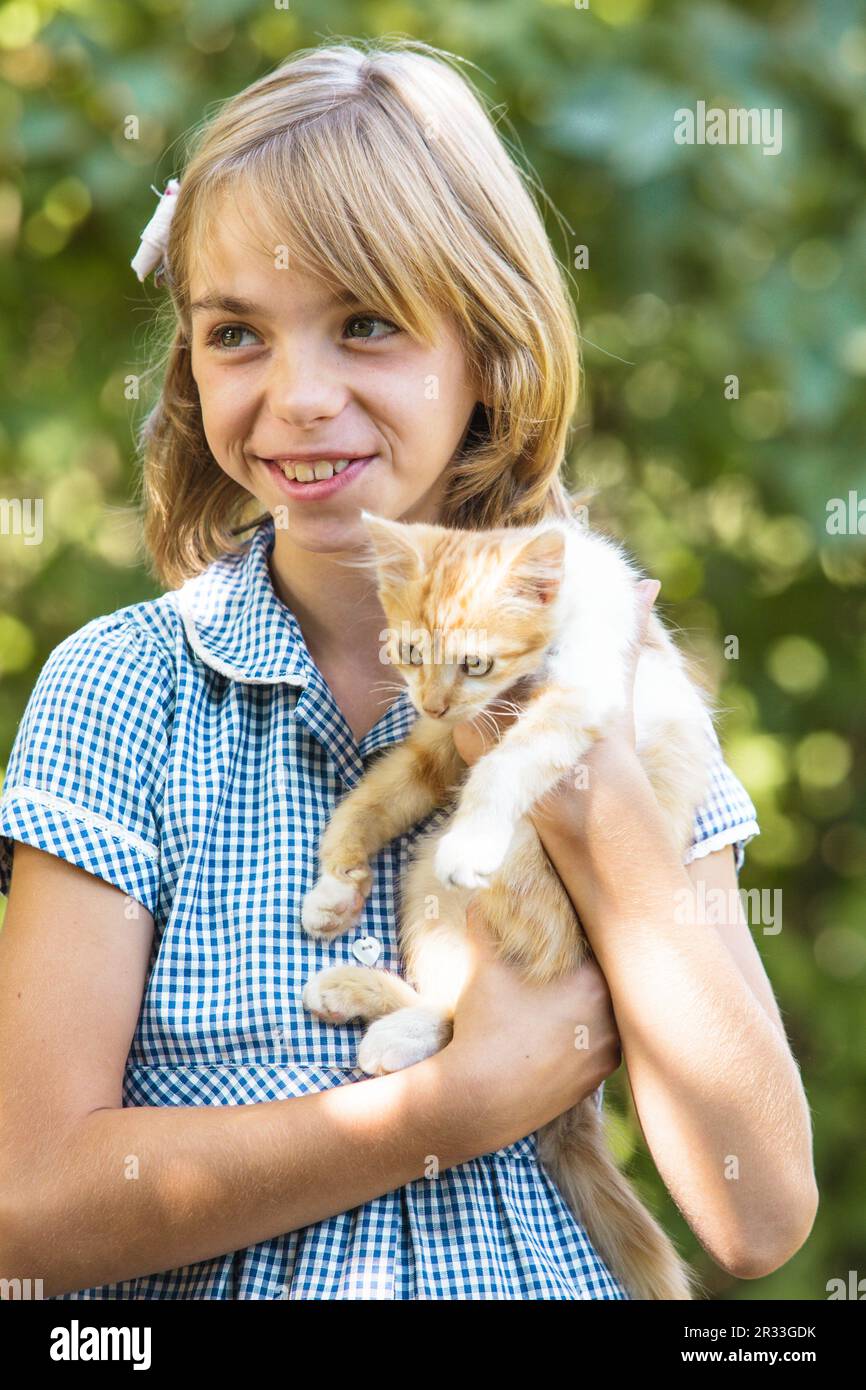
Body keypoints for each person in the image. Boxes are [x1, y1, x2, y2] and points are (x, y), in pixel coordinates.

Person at [0, 37, 817, 1300]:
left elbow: (755, 1213)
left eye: (365, 325)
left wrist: (581, 782)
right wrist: (456, 1103)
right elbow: (32, 1205)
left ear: (488, 351)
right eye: (236, 334)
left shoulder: (618, 666)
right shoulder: (124, 694)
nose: (298, 396)